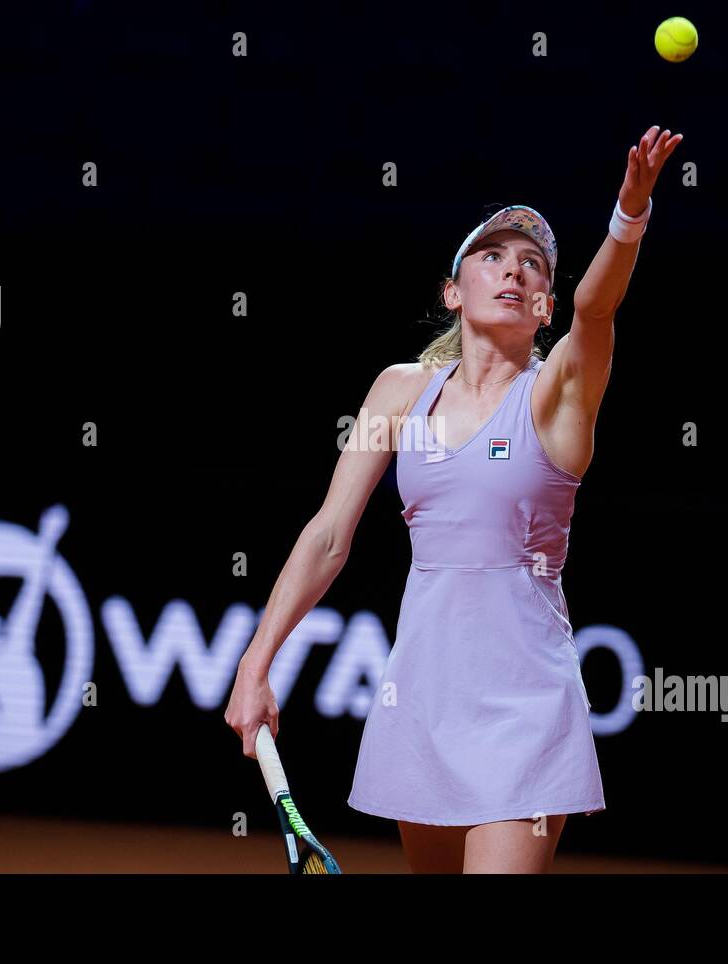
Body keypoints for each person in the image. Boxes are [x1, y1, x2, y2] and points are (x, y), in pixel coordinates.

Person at [226, 126, 683, 873]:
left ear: (545, 306)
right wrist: (256, 662)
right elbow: (328, 535)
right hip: (423, 704)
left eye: (534, 265)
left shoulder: (560, 391)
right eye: (493, 256)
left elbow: (597, 309)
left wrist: (628, 214)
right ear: (452, 290)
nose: (514, 271)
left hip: (527, 709)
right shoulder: (399, 391)